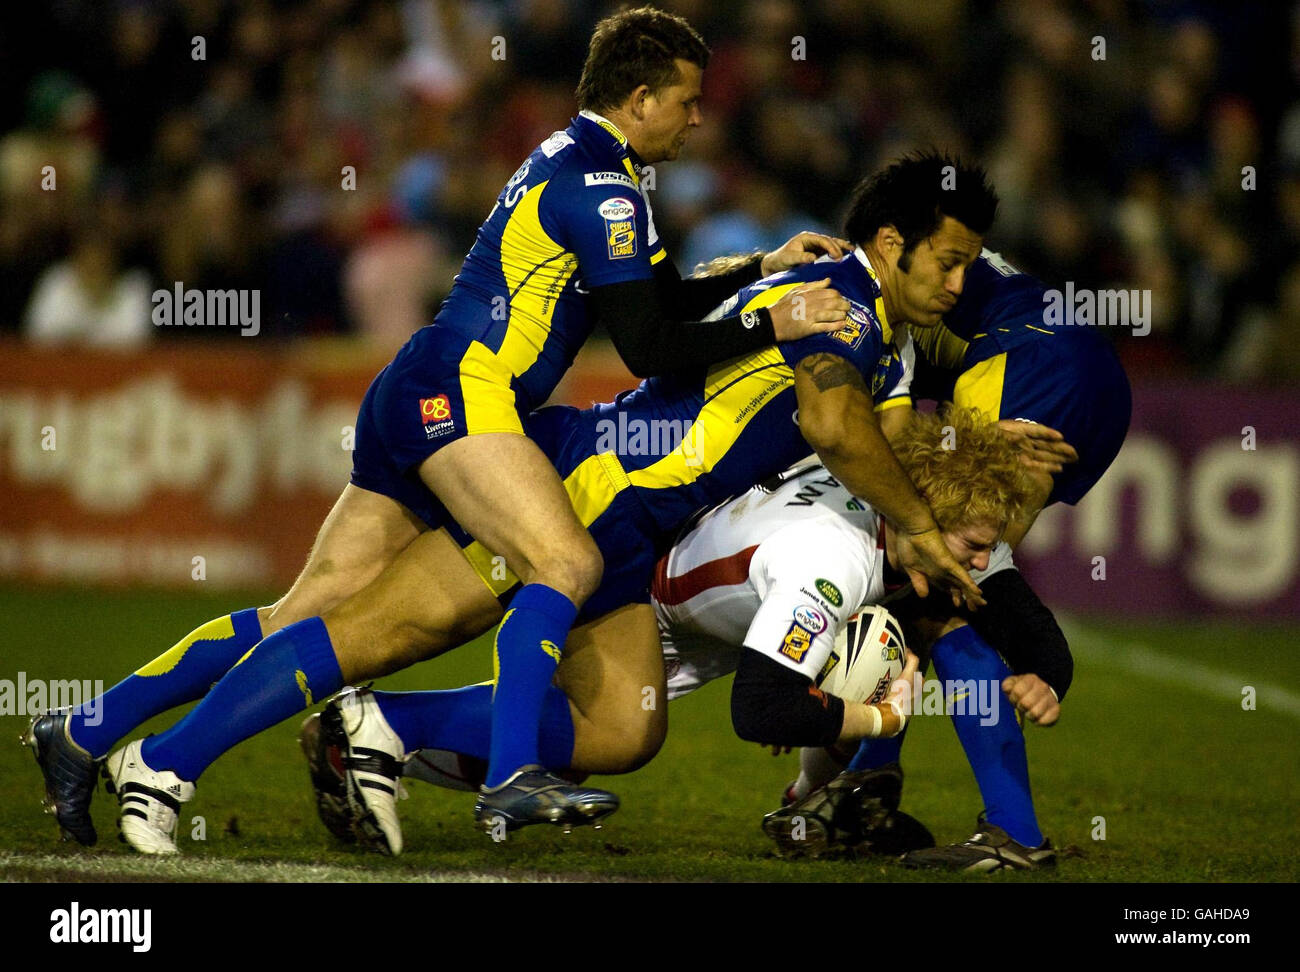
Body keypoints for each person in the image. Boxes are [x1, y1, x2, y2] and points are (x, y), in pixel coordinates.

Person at [23, 6, 863, 847]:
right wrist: (772, 323)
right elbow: (647, 347)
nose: (698, 115)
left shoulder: (587, 164)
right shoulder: (605, 189)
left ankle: (93, 733)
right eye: (685, 98)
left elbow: (658, 301)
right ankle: (509, 777)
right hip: (463, 392)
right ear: (640, 98)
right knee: (565, 558)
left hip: (422, 380)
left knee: (304, 612)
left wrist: (760, 267)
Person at [301, 407, 1034, 856]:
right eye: (971, 546)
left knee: (861, 653)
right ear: (926, 517)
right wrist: (882, 714)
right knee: (616, 737)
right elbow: (760, 712)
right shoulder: (832, 561)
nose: (978, 564)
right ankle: (378, 721)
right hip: (643, 584)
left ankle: (371, 736)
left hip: (674, 569)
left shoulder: (868, 482)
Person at [781, 247, 1133, 871]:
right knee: (938, 582)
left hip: (1031, 370)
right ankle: (861, 785)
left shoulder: (843, 300)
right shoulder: (878, 286)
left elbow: (865, 433)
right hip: (1088, 372)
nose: (950, 279)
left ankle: (995, 824)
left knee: (942, 581)